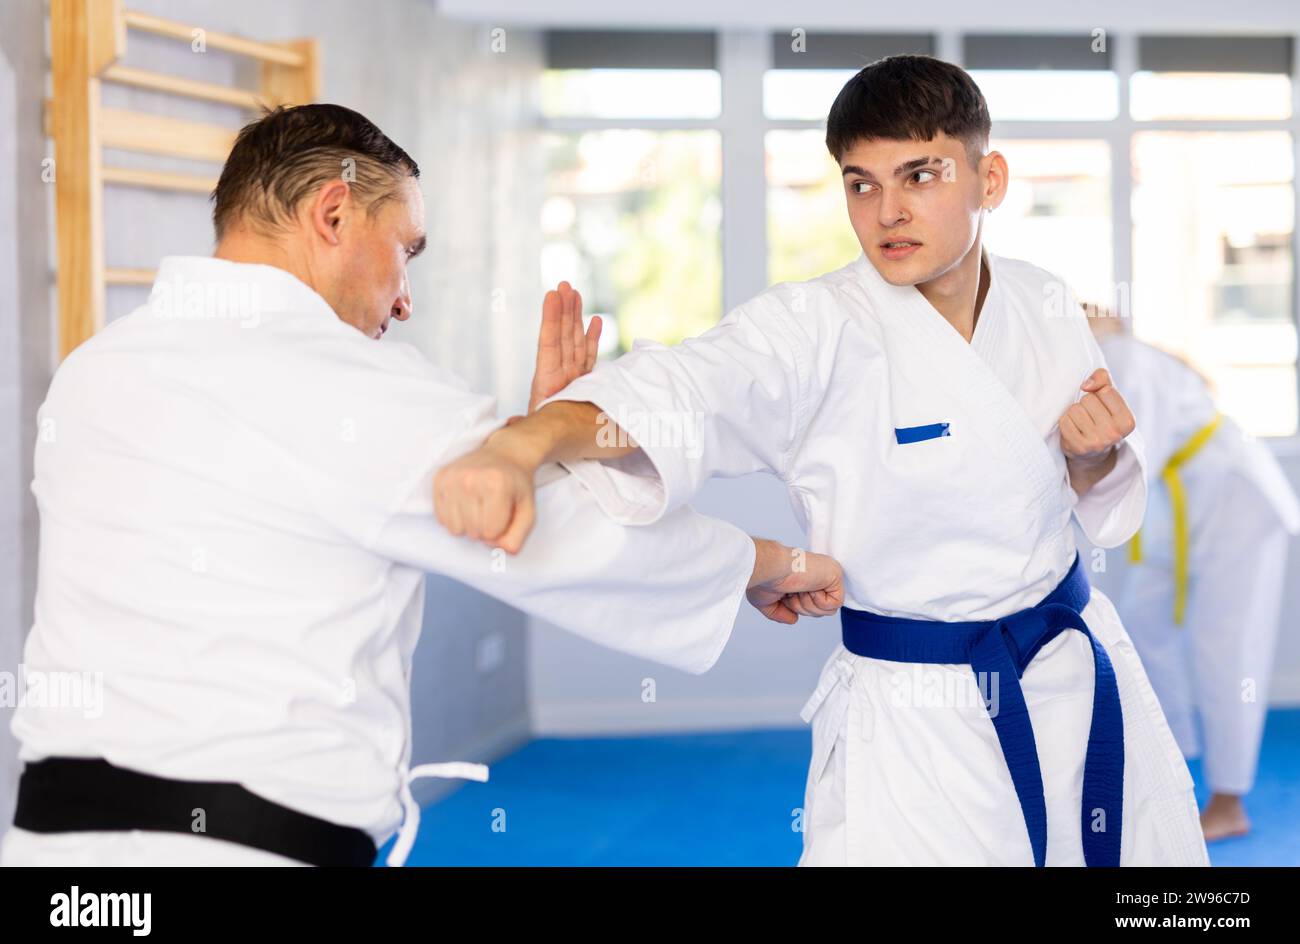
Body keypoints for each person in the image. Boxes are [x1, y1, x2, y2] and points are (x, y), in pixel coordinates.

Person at [0, 104, 844, 868]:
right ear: (333, 213)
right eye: (405, 251)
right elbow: (555, 539)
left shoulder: (95, 368)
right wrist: (770, 562)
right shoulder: (339, 384)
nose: (404, 301)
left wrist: (530, 450)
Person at [433, 56, 1211, 866]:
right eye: (860, 183)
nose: (888, 211)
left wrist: (1093, 459)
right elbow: (687, 387)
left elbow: (1088, 500)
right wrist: (526, 442)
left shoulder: (1045, 299)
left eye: (920, 175)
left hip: (1071, 666)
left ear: (991, 180)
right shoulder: (813, 327)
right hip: (916, 712)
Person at [1085, 304, 1300, 842]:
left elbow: (1135, 456)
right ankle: (1173, 755)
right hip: (1177, 505)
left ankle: (1229, 801)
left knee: (1227, 647)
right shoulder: (1107, 362)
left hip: (1237, 501)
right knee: (1141, 620)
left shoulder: (1122, 357)